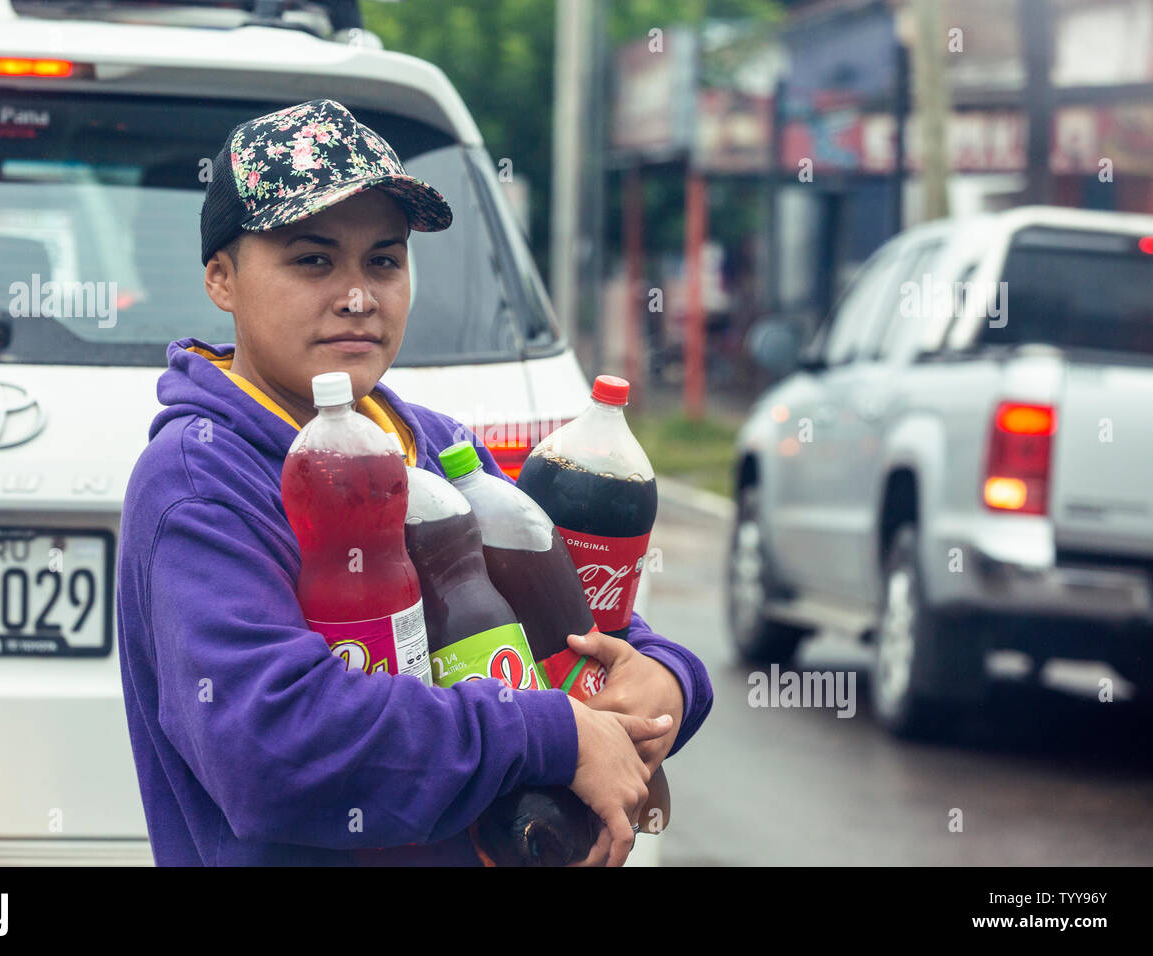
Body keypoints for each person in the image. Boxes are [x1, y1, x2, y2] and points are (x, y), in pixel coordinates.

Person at [116, 99, 714, 866]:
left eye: (384, 260)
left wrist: (670, 681)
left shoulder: (435, 446)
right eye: (312, 259)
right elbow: (271, 747)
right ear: (221, 278)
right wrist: (550, 735)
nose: (359, 296)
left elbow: (578, 630)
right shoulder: (203, 479)